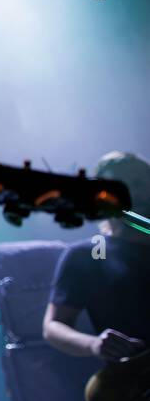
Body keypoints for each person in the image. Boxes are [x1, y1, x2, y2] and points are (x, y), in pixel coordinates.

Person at [43, 152, 150, 379]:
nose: (136, 193)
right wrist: (93, 344)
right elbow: (53, 326)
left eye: (141, 183)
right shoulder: (86, 255)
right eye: (124, 186)